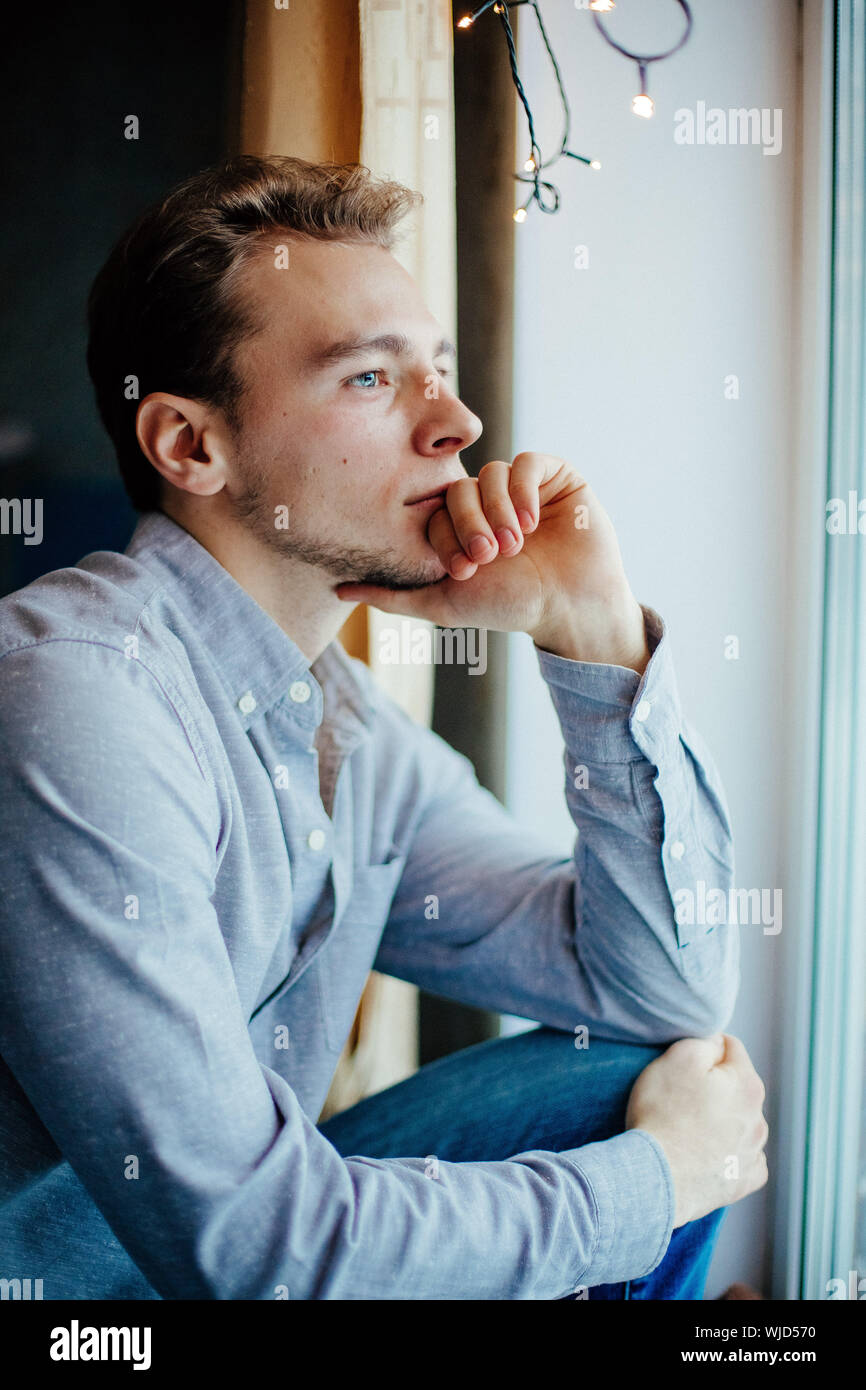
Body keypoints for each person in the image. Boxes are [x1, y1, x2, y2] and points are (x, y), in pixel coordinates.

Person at [0, 155, 768, 1301]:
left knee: (630, 1073)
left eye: (439, 372)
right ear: (187, 445)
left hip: (212, 1263)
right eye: (370, 379)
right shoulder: (79, 701)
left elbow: (661, 996)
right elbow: (252, 1247)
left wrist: (590, 630)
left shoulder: (343, 725)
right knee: (643, 1145)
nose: (456, 423)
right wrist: (658, 1181)